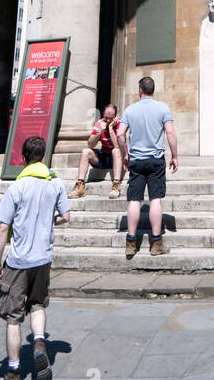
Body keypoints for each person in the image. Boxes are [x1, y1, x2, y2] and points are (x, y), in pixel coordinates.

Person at [0, 134, 70, 380]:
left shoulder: (16, 187)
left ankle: (14, 371)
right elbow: (65, 216)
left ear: (24, 158)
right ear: (44, 157)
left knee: (13, 317)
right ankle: (39, 342)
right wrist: (49, 220)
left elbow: (3, 227)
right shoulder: (55, 182)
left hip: (18, 260)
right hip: (43, 258)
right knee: (38, 304)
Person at [117, 77, 178, 259]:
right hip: (155, 159)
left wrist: (124, 154)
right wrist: (174, 156)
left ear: (140, 90)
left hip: (136, 160)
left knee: (134, 200)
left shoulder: (130, 110)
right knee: (155, 200)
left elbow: (120, 134)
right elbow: (170, 132)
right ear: (153, 90)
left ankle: (130, 242)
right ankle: (156, 243)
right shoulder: (162, 108)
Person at [69, 104, 125, 200]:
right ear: (103, 114)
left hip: (116, 158)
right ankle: (80, 186)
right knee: (85, 151)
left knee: (116, 151)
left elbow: (117, 146)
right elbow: (90, 144)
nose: (107, 121)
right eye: (106, 118)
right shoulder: (100, 123)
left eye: (110, 119)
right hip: (103, 156)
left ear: (115, 117)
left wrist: (111, 128)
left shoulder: (120, 123)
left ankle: (116, 185)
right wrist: (100, 132)